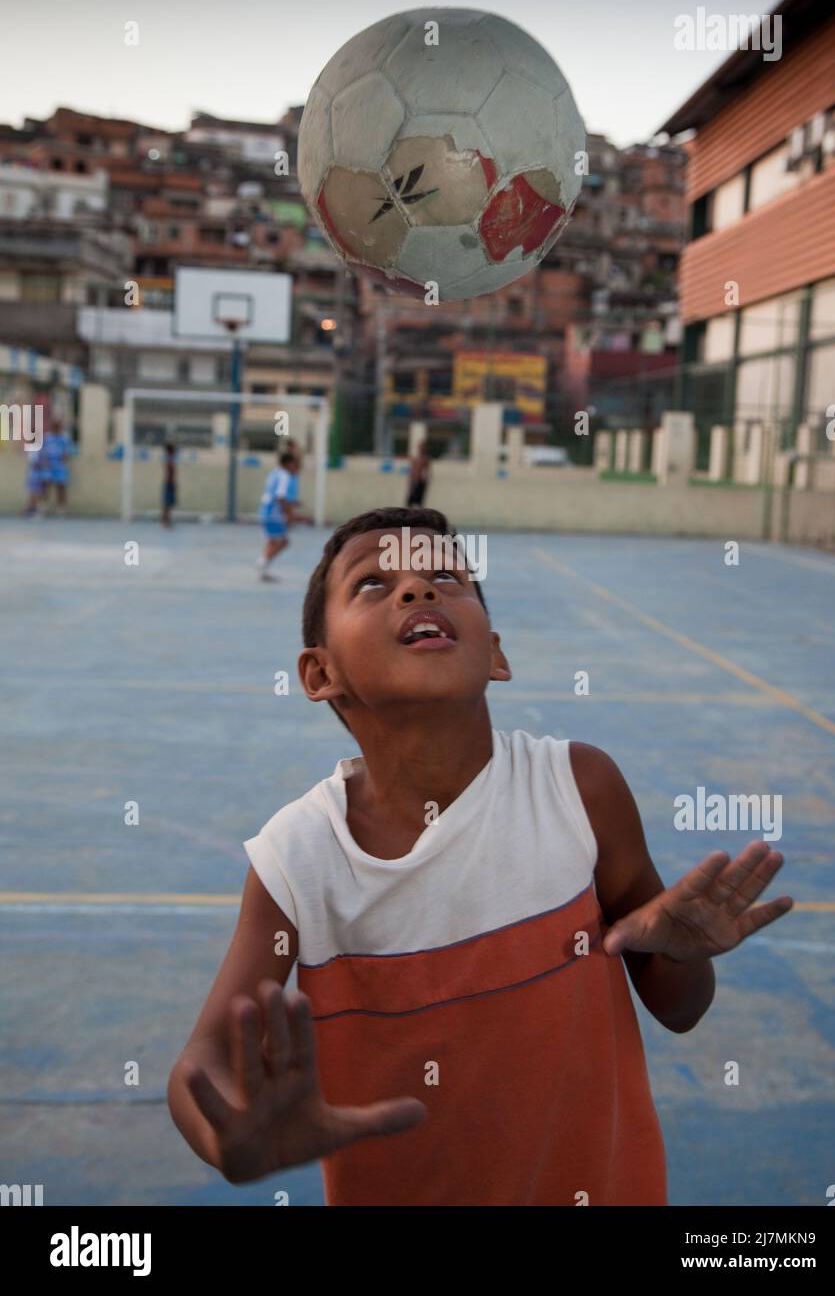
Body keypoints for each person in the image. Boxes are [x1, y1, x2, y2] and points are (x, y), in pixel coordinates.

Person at [168, 505, 793, 1206]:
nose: (417, 589)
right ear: (319, 673)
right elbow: (203, 1063)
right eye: (374, 584)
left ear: (494, 653)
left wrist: (683, 956)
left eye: (445, 576)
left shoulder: (580, 789)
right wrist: (229, 1136)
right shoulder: (300, 858)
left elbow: (681, 1010)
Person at [257, 449, 306, 582]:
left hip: (265, 511)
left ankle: (264, 570)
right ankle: (262, 562)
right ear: (289, 463)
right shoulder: (285, 476)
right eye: (295, 463)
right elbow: (280, 497)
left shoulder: (274, 473)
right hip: (274, 514)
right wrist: (288, 514)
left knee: (272, 541)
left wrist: (293, 504)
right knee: (283, 542)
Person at [40, 416, 71, 514]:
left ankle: (61, 508)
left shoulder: (64, 438)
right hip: (48, 465)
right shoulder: (47, 437)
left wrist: (63, 461)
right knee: (46, 485)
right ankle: (43, 507)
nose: (56, 427)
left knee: (61, 487)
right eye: (54, 425)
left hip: (59, 465)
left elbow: (67, 452)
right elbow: (42, 451)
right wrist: (45, 461)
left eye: (58, 425)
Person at [406, 439, 430, 507]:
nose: (420, 449)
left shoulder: (425, 459)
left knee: (418, 501)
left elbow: (426, 472)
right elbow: (411, 471)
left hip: (420, 482)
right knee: (410, 501)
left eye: (422, 447)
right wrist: (410, 481)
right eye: (420, 447)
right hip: (414, 481)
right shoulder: (416, 458)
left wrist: (424, 481)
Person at [161, 443, 178, 528]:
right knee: (167, 504)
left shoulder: (169, 460)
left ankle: (166, 521)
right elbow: (169, 474)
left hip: (168, 483)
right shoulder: (170, 461)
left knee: (168, 504)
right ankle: (165, 521)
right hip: (169, 483)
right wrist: (172, 483)